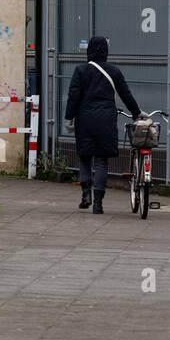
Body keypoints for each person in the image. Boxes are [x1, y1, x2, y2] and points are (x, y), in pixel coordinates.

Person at [64, 36, 140, 214]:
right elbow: (126, 95)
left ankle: (85, 196)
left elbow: (73, 96)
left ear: (89, 50)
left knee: (84, 157)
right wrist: (137, 113)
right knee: (101, 161)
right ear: (106, 51)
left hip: (85, 119)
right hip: (106, 119)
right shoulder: (114, 71)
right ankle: (98, 203)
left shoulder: (81, 71)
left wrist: (70, 117)